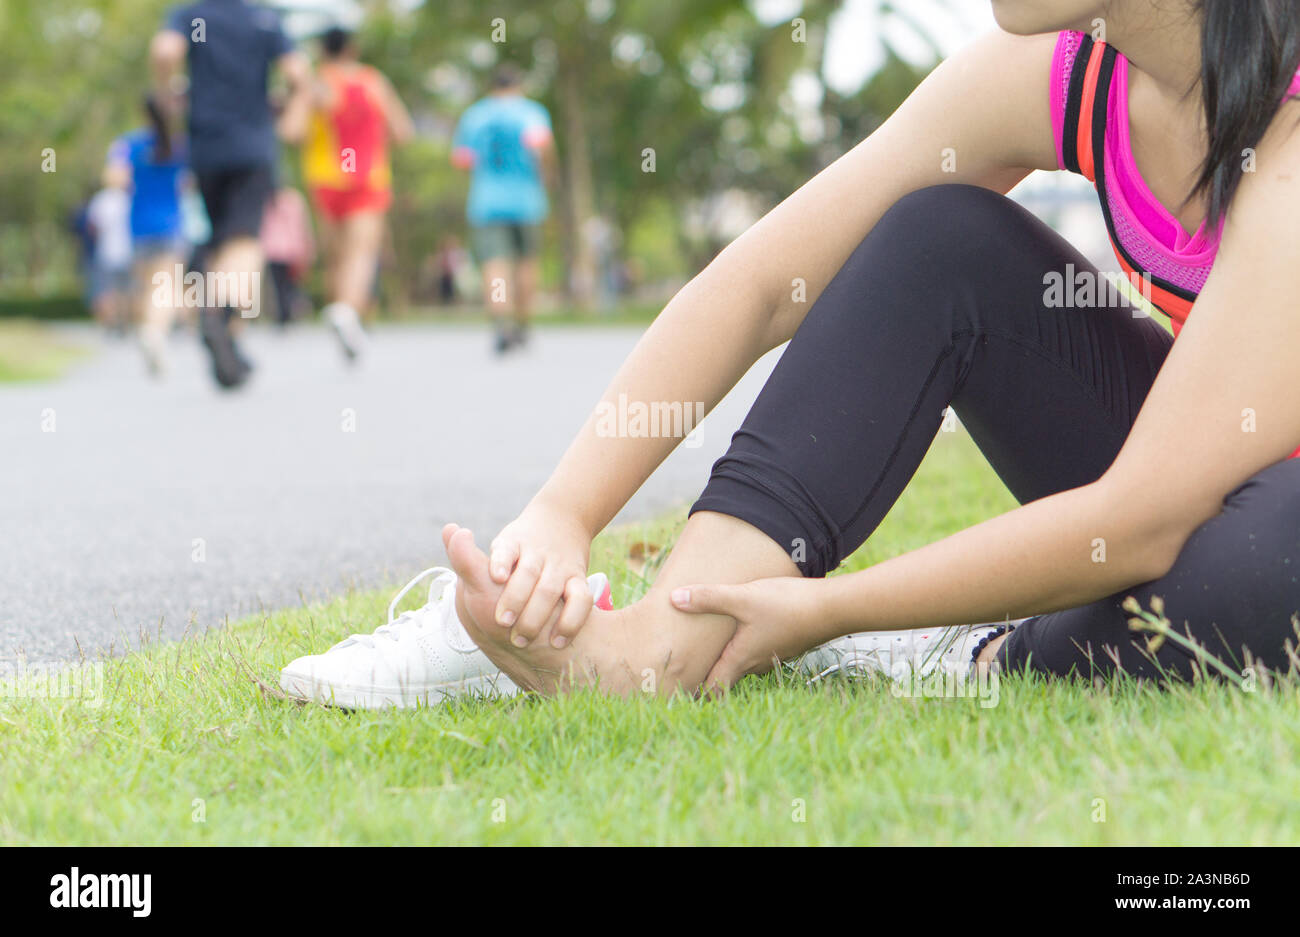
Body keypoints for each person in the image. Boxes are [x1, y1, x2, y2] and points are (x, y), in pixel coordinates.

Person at [282, 0, 1300, 709]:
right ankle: (659, 639)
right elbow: (763, 281)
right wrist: (561, 514)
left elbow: (1140, 517)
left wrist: (823, 612)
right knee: (937, 238)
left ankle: (959, 649)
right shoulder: (1063, 74)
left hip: (1245, 522)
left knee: (1251, 572)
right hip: (1203, 474)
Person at [150, 0, 312, 388]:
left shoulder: (192, 15)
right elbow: (298, 73)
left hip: (206, 147)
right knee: (244, 238)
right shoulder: (264, 19)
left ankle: (231, 347)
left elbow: (165, 51)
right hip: (252, 146)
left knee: (221, 239)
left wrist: (164, 98)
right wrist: (293, 115)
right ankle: (220, 315)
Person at [301, 26, 413, 361]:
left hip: (326, 178)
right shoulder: (372, 81)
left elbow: (292, 129)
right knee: (361, 253)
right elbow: (403, 131)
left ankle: (343, 316)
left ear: (322, 50)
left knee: (336, 256)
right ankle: (347, 313)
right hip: (368, 177)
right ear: (352, 48)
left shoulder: (317, 82)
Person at [451, 63, 554, 354]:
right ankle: (523, 323)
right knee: (526, 262)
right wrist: (547, 178)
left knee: (494, 263)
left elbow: (462, 159)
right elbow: (543, 150)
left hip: (487, 201)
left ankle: (501, 322)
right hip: (527, 199)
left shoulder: (475, 115)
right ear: (518, 85)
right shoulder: (530, 112)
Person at [107, 94, 190, 375]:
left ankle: (148, 331)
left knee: (145, 285)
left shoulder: (128, 144)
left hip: (138, 225)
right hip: (170, 224)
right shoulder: (180, 145)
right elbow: (190, 183)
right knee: (166, 285)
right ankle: (155, 333)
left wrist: (137, 184)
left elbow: (114, 179)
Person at [84, 165, 134, 335]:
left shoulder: (100, 200)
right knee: (126, 290)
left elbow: (93, 227)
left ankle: (108, 322)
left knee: (106, 290)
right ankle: (124, 322)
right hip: (128, 251)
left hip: (106, 251)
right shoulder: (129, 199)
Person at [260, 184, 315, 326]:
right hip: (291, 249)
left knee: (278, 285)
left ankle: (283, 314)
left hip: (273, 249)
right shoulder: (294, 199)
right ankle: (287, 312)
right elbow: (302, 226)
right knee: (288, 285)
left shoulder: (269, 199)